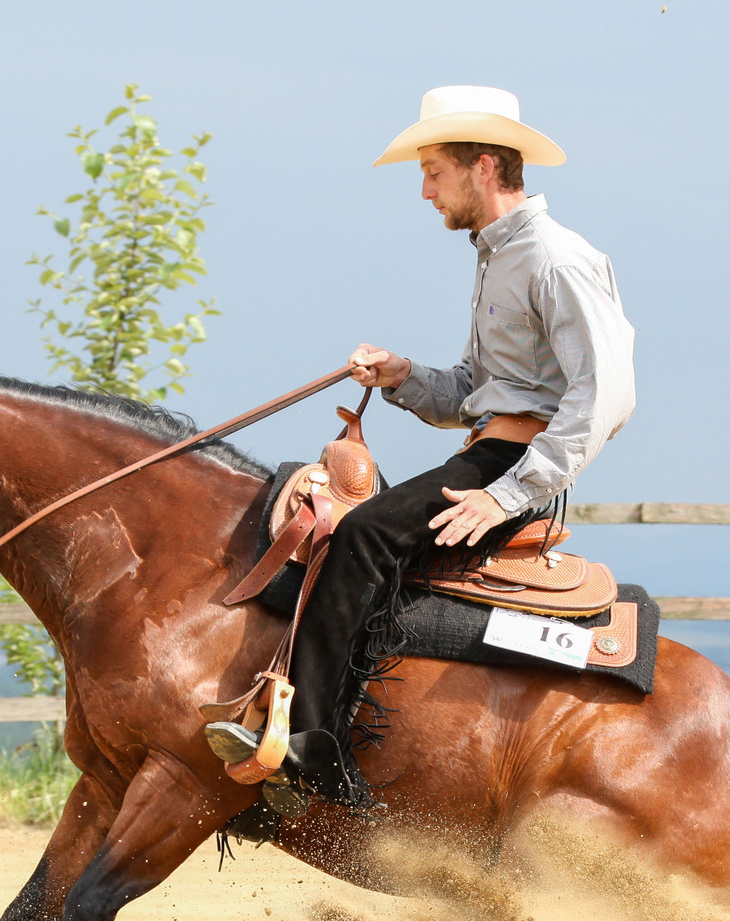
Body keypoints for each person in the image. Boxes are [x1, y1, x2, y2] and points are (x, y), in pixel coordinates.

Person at [209, 85, 636, 808]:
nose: (425, 191)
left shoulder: (556, 259)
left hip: (510, 466)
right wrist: (403, 376)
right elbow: (476, 389)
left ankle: (314, 751)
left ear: (484, 167)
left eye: (434, 171)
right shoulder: (498, 256)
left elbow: (607, 396)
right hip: (487, 453)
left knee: (362, 535)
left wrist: (505, 495)